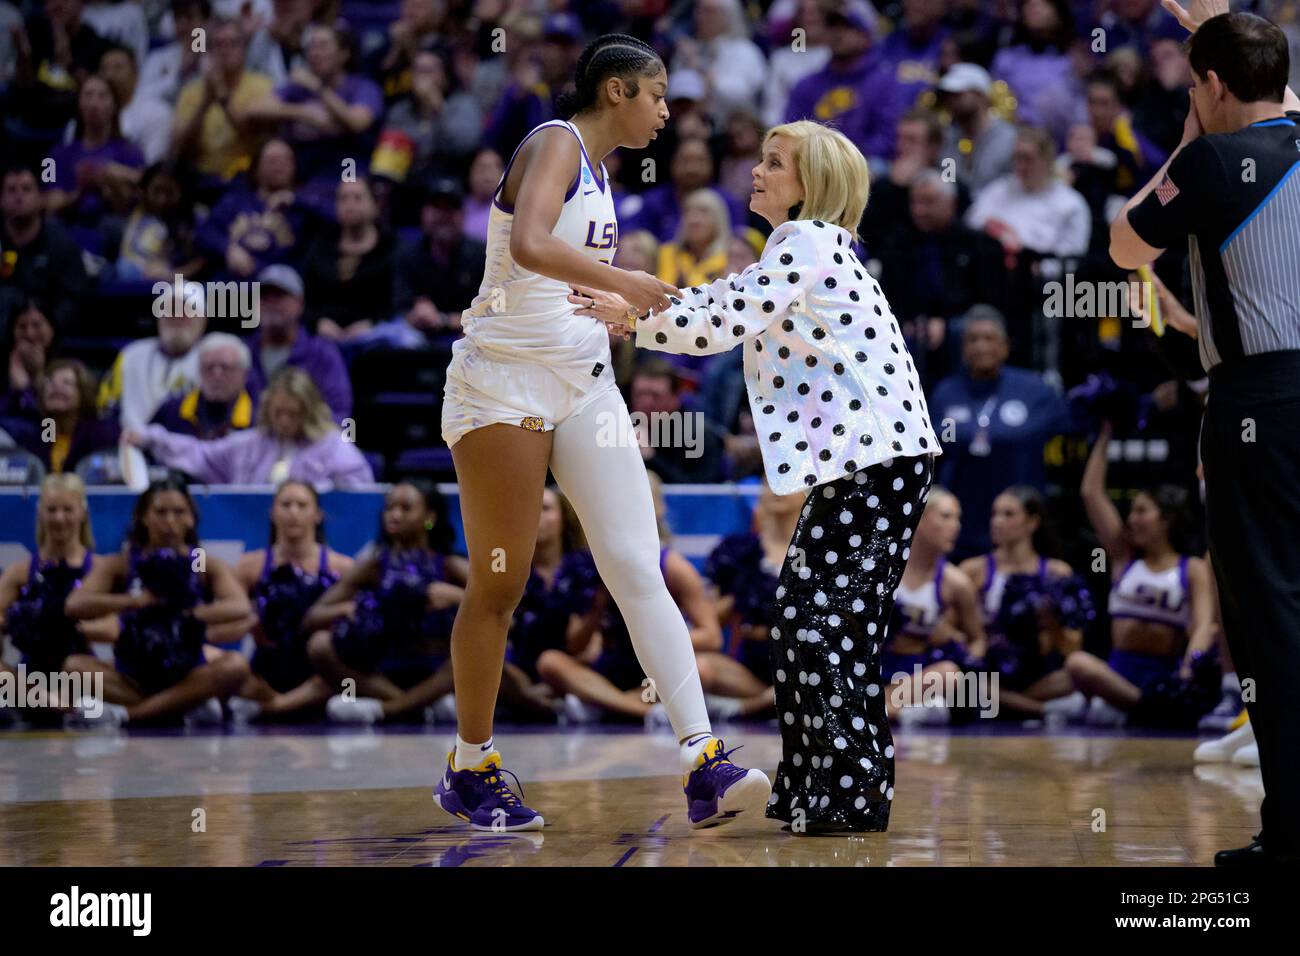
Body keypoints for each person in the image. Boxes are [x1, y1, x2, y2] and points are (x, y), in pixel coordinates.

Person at [436, 33, 770, 833]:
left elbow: (559, 274)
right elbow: (528, 244)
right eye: (657, 97)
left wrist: (614, 311)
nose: (665, 112)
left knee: (634, 561)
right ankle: (470, 764)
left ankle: (704, 759)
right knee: (500, 584)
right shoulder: (553, 143)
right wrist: (625, 278)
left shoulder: (602, 170)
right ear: (617, 90)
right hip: (502, 384)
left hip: (585, 382)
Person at [577, 119, 941, 832]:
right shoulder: (803, 247)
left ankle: (848, 793)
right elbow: (720, 304)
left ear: (814, 186)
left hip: (876, 459)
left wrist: (632, 321)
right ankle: (819, 789)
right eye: (763, 159)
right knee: (808, 623)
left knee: (823, 628)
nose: (757, 171)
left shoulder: (805, 241)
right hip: (868, 460)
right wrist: (643, 312)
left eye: (775, 163)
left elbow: (723, 319)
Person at [1108, 1, 1300, 865]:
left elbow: (1122, 244)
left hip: (1260, 400)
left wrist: (1191, 129)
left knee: (1270, 612)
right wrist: (1230, 34)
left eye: (1197, 87)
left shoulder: (1214, 161)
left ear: (1214, 87)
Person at [64, 476, 253, 726]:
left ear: (190, 518)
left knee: (235, 666)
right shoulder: (125, 561)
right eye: (161, 512)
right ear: (143, 516)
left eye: (178, 512)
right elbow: (75, 605)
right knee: (74, 667)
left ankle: (128, 715)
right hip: (131, 675)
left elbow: (240, 606)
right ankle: (182, 706)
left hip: (188, 672)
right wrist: (135, 602)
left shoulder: (197, 561)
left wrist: (190, 612)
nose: (170, 522)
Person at [1071, 419, 1218, 728]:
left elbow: (1204, 625)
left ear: (1167, 519)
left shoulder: (1190, 568)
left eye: (1142, 511)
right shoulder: (1124, 558)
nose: (1132, 519)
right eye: (1132, 511)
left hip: (1164, 672)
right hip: (1117, 673)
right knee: (1078, 664)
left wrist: (1189, 672)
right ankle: (1148, 709)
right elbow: (1090, 493)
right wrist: (1106, 433)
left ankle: (1147, 704)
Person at [304, 481, 464, 724]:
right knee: (319, 645)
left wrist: (457, 596)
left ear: (429, 516)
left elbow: (503, 612)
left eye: (406, 508)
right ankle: (416, 706)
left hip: (437, 668)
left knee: (473, 654)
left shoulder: (449, 566)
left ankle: (387, 711)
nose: (395, 514)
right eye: (390, 508)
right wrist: (346, 608)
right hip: (384, 670)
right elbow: (312, 617)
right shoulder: (375, 566)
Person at [929, 307, 1070, 558]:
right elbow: (935, 451)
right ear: (963, 349)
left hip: (1019, 525)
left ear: (1005, 347)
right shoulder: (945, 394)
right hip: (961, 525)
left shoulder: (1034, 391)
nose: (981, 346)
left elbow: (1073, 423)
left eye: (989, 339)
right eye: (973, 339)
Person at [958, 485, 1094, 718]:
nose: (997, 522)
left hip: (1037, 674)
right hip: (988, 671)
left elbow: (1072, 647)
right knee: (962, 679)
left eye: (1008, 514)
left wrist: (1049, 619)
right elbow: (958, 631)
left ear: (1032, 522)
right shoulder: (972, 570)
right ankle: (1041, 711)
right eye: (995, 514)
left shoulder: (1057, 572)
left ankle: (1009, 705)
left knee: (1079, 673)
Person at [225, 480, 354, 721]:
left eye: (302, 505)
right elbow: (227, 628)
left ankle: (272, 708)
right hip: (265, 672)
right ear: (273, 513)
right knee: (228, 672)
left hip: (318, 676)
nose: (293, 512)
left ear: (317, 515)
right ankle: (277, 703)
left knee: (350, 673)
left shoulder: (343, 567)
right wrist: (249, 622)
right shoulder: (248, 566)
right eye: (286, 504)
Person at [126, 366, 372, 487]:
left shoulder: (333, 446)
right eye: (278, 413)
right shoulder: (251, 444)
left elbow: (360, 493)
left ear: (309, 412)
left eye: (293, 414)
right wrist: (152, 438)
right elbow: (199, 453)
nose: (284, 421)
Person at [0, 475, 116, 690]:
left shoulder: (100, 569)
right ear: (40, 512)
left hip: (80, 672)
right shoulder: (21, 571)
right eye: (52, 510)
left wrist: (70, 627)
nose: (59, 518)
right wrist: (17, 622)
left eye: (67, 510)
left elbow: (115, 627)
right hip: (29, 680)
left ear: (82, 512)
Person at [884, 486, 985, 725]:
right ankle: (901, 712)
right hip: (874, 666)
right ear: (919, 515)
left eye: (958, 518)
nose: (956, 526)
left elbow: (978, 639)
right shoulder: (884, 570)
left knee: (950, 674)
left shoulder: (956, 582)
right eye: (946, 516)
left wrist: (962, 651)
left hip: (916, 675)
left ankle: (878, 712)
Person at [170, 16, 274, 185]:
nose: (226, 50)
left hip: (246, 178)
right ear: (209, 51)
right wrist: (204, 104)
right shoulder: (191, 92)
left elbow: (254, 135)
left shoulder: (263, 86)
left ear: (244, 49)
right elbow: (178, 149)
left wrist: (222, 97)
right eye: (219, 44)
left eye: (234, 43)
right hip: (199, 177)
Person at [243, 265, 352, 422]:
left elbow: (339, 414)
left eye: (280, 295)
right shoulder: (239, 353)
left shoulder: (322, 354)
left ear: (300, 303)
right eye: (264, 296)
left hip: (307, 443)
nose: (271, 302)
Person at [97, 283, 206, 429]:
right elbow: (106, 407)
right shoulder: (131, 355)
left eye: (187, 310)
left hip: (190, 446)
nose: (177, 316)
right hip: (130, 445)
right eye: (170, 309)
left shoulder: (214, 359)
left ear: (202, 320)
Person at [0, 165, 87, 331]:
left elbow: (72, 301)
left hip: (48, 334)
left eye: (26, 189)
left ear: (40, 198)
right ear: (1, 200)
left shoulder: (61, 245)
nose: (19, 196)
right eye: (11, 190)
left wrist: (45, 326)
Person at [0, 357, 119, 474]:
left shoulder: (100, 433)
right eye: (50, 382)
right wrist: (19, 391)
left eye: (66, 383)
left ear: (82, 393)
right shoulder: (42, 432)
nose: (56, 386)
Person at [150, 332, 255, 440]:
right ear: (199, 371)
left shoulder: (258, 415)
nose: (216, 375)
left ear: (244, 374)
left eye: (225, 368)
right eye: (209, 367)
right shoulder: (172, 410)